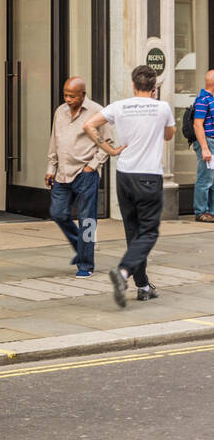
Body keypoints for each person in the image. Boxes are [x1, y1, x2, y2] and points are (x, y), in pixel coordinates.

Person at [85, 65, 175, 307]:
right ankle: (123, 272)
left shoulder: (119, 106)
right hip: (148, 176)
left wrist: (110, 149)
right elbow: (169, 135)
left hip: (124, 174)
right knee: (149, 232)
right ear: (154, 87)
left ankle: (143, 285)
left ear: (134, 86)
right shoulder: (162, 108)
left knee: (133, 232)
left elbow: (89, 125)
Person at [45, 76, 107, 277]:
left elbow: (108, 142)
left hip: (85, 173)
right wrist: (50, 167)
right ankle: (81, 248)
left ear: (83, 94)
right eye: (65, 95)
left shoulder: (97, 111)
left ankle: (86, 264)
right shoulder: (60, 112)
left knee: (87, 220)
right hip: (62, 173)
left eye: (72, 96)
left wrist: (93, 166)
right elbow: (55, 140)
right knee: (58, 213)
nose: (68, 99)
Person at [190, 69, 214, 223]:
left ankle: (211, 211)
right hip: (208, 141)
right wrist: (204, 147)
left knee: (212, 179)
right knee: (205, 179)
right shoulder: (203, 100)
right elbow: (197, 124)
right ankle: (201, 211)